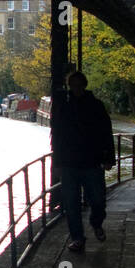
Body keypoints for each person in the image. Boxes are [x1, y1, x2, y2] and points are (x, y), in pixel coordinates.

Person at [50, 71, 115, 253]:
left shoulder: (96, 106)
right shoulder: (63, 107)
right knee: (71, 203)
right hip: (69, 163)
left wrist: (108, 158)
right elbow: (56, 136)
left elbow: (105, 132)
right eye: (73, 85)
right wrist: (56, 162)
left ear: (84, 85)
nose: (76, 88)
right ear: (70, 86)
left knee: (98, 200)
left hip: (91, 161)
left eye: (79, 85)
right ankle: (78, 238)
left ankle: (96, 223)